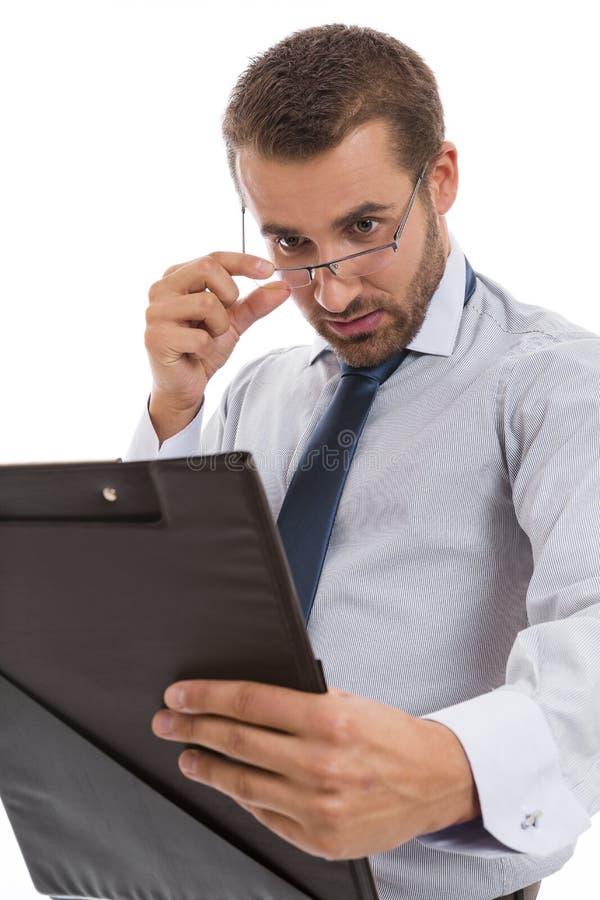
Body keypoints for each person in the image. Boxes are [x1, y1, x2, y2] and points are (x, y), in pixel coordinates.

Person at [124, 23, 599, 900]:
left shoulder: (556, 386)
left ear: (442, 180)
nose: (332, 292)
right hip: (221, 870)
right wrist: (176, 410)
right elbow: (169, 613)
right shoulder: (259, 389)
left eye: (364, 227)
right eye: (291, 244)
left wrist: (453, 767)